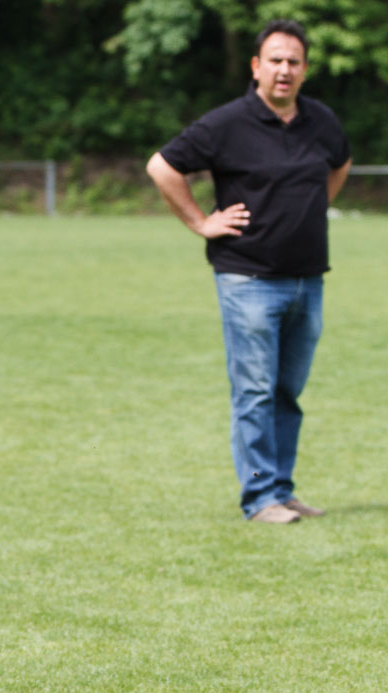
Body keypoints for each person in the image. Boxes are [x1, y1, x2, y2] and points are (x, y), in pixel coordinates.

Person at [146, 18, 351, 523]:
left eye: (294, 62)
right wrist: (200, 222)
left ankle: (281, 489)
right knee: (255, 392)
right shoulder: (227, 123)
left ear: (304, 70)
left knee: (287, 392)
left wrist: (310, 209)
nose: (285, 70)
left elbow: (340, 163)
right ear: (257, 66)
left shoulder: (321, 120)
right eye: (275, 60)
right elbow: (162, 166)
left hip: (308, 279)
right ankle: (260, 498)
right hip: (248, 280)